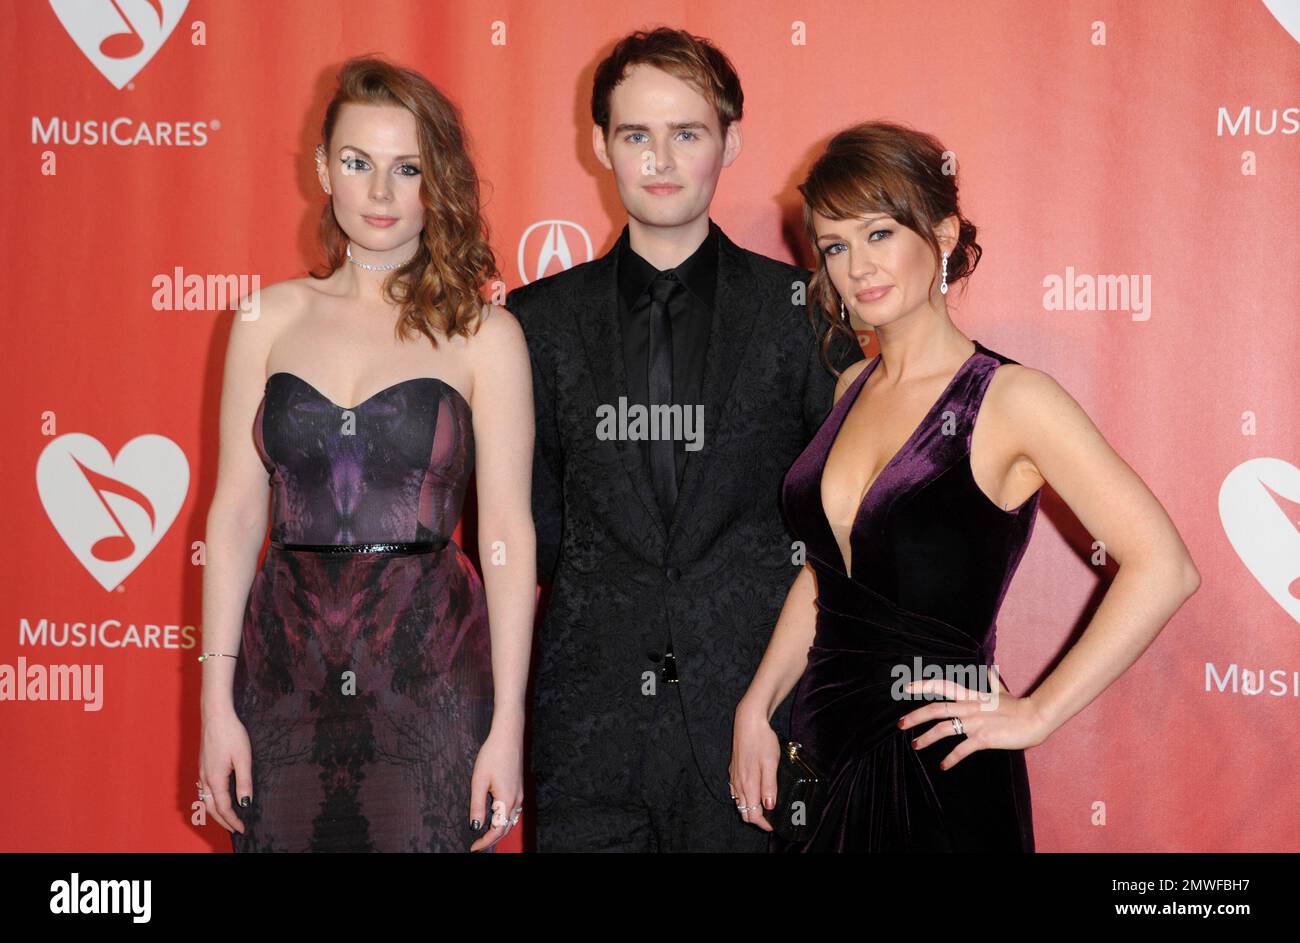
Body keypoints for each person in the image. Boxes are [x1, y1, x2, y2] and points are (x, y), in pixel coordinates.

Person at [730, 121, 1201, 852]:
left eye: (880, 234)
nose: (857, 266)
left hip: (940, 771)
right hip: (825, 749)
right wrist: (756, 705)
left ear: (943, 234)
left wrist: (1037, 713)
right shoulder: (850, 386)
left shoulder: (1010, 399)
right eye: (835, 245)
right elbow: (831, 577)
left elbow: (1164, 566)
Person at [507, 28, 862, 852]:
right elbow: (531, 527)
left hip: (755, 733)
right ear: (600, 146)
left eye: (687, 133)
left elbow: (839, 531)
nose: (660, 160)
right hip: (586, 739)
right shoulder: (534, 324)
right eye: (637, 135)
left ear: (730, 142)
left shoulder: (804, 314)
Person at [197, 57, 535, 853]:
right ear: (323, 168)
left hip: (432, 676)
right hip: (281, 672)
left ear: (438, 179)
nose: (381, 194)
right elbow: (238, 512)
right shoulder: (264, 319)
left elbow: (509, 538)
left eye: (407, 168)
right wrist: (216, 702)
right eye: (358, 163)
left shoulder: (485, 335)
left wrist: (508, 724)